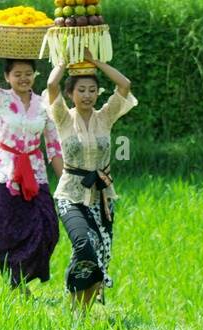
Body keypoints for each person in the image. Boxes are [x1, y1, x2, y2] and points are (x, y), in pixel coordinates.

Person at [0, 19, 64, 291]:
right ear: (8, 77)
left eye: (28, 73)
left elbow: (54, 146)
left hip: (35, 171)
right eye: (17, 74)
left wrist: (66, 182)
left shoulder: (44, 104)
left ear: (34, 75)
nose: (23, 78)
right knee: (7, 229)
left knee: (47, 227)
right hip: (4, 170)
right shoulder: (0, 98)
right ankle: (14, 283)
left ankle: (27, 275)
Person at [46, 49, 137, 309]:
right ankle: (73, 295)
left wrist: (94, 61)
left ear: (98, 93)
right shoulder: (63, 117)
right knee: (85, 243)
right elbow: (51, 84)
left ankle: (80, 310)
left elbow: (125, 85)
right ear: (71, 93)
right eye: (81, 90)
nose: (87, 95)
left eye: (92, 90)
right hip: (70, 195)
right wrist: (64, 60)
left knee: (97, 253)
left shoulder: (105, 117)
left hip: (101, 197)